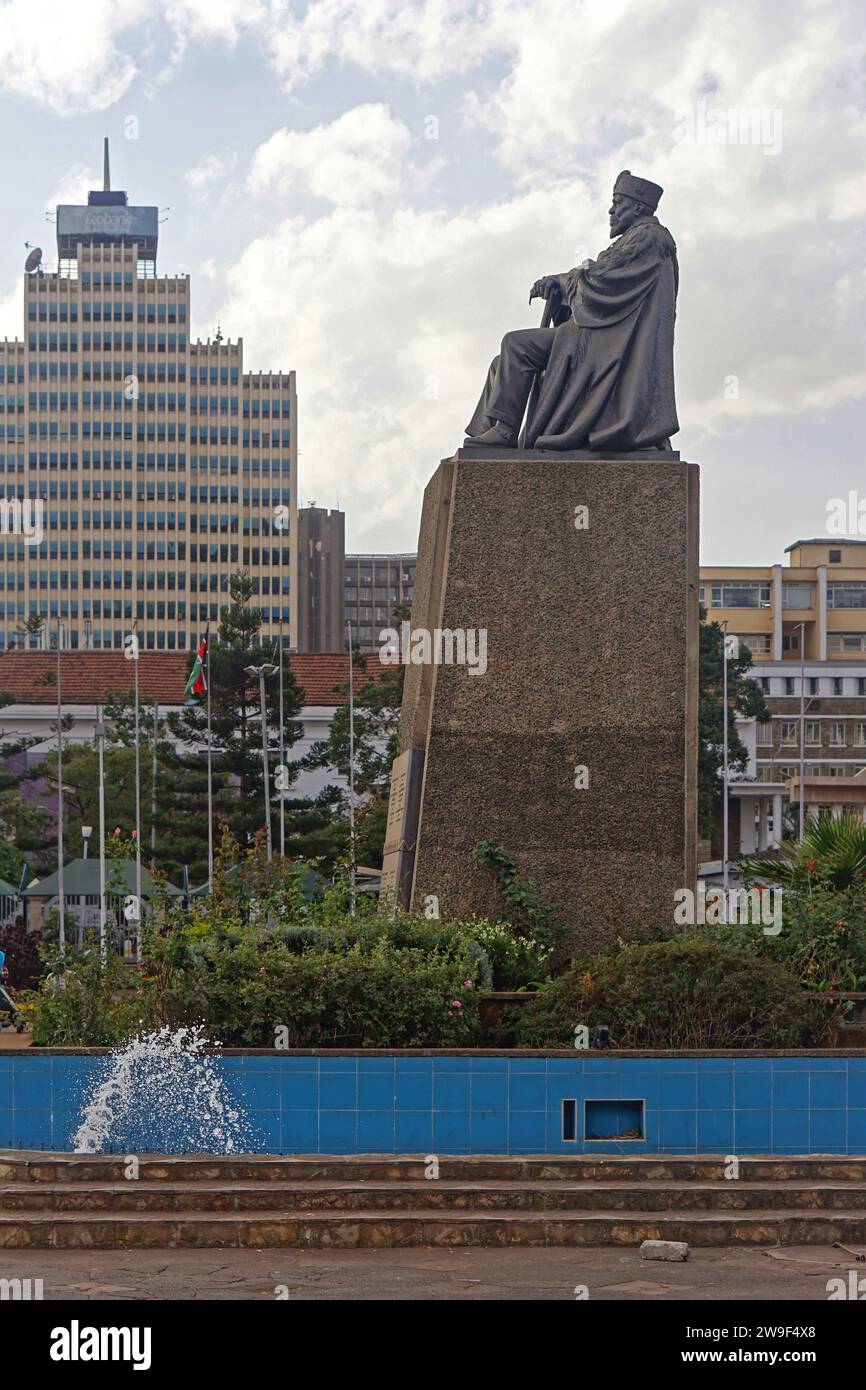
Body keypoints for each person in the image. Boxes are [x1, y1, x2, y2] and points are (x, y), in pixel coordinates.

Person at [465, 170, 679, 452]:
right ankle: (488, 435)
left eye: (618, 203)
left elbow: (604, 282)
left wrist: (562, 281)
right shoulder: (640, 239)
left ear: (638, 206)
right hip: (599, 332)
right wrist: (567, 285)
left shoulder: (648, 238)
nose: (611, 211)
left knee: (516, 345)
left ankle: (505, 432)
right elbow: (600, 281)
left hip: (606, 342)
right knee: (500, 362)